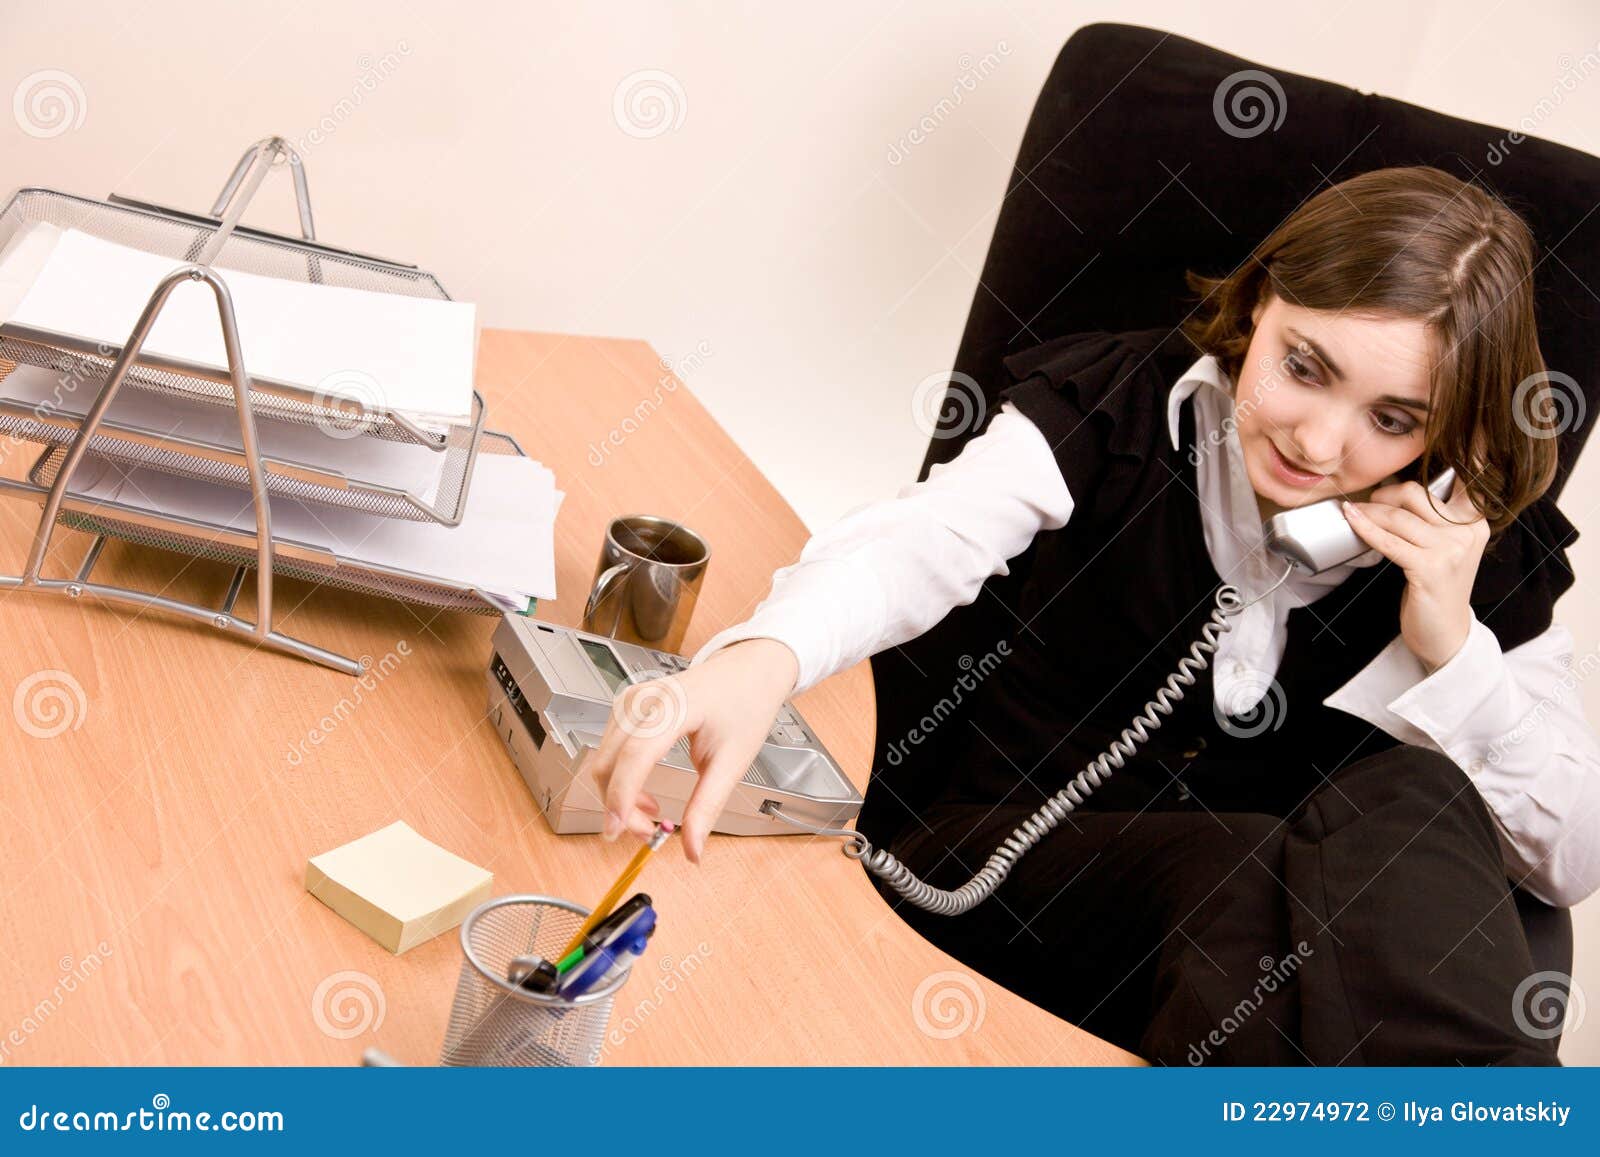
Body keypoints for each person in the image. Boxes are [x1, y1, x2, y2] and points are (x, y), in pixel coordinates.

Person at [586, 166, 1600, 1064]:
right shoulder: (1110, 403)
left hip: (1239, 1002)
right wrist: (760, 661)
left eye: (1393, 420)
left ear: (1444, 435)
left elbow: (1572, 858)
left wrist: (1450, 648)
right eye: (1304, 365)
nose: (1321, 442)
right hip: (985, 875)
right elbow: (922, 538)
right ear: (1259, 308)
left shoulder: (1469, 543)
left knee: (1418, 801)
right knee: (1251, 864)